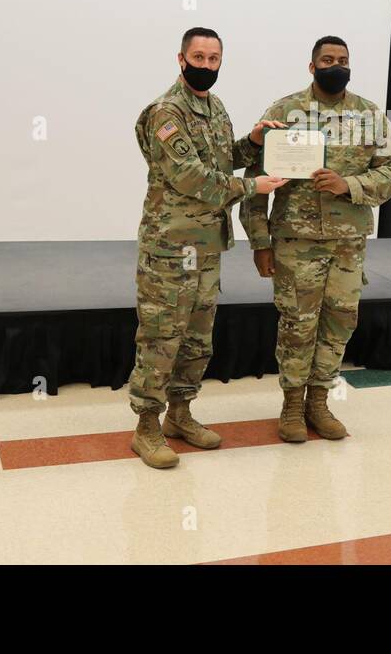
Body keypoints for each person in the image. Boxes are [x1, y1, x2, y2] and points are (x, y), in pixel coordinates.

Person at [129, 27, 287, 469]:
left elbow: (218, 159)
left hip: (207, 246)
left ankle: (180, 414)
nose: (206, 65)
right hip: (170, 247)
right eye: (198, 57)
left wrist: (253, 142)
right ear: (181, 59)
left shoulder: (214, 107)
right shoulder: (165, 113)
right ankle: (146, 426)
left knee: (198, 337)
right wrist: (251, 185)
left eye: (214, 58)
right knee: (162, 336)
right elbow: (192, 177)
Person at [241, 36, 391, 443]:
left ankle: (319, 401)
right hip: (297, 239)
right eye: (328, 60)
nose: (337, 65)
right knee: (297, 324)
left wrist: (347, 184)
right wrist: (260, 242)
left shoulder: (370, 116)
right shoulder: (284, 112)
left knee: (341, 321)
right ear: (312, 67)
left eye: (343, 60)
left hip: (348, 241)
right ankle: (292, 405)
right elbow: (253, 181)